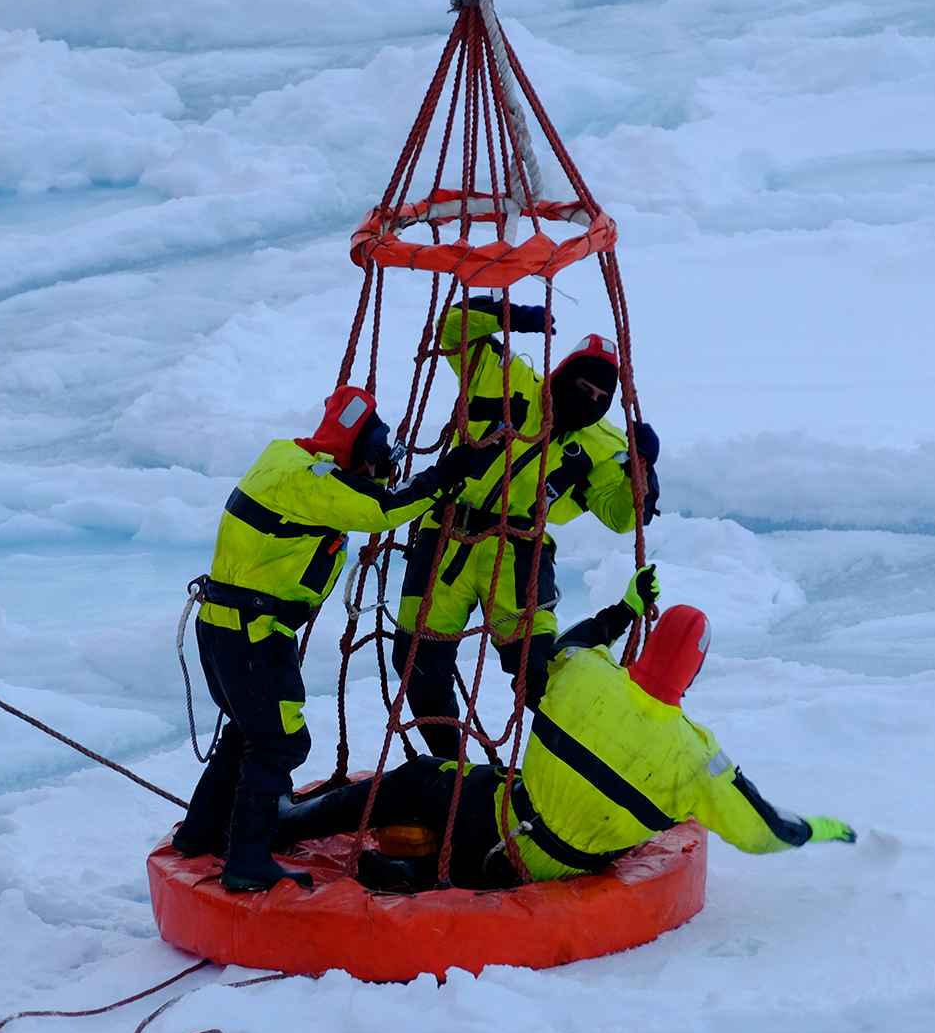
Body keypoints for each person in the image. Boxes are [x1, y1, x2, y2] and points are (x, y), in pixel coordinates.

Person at [280, 567, 855, 888]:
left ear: (648, 650)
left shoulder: (587, 676)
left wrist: (625, 609)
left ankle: (294, 825)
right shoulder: (697, 756)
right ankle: (423, 869)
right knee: (495, 805)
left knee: (424, 778)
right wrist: (823, 827)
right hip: (565, 867)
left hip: (501, 821)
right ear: (694, 672)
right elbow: (764, 832)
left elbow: (575, 641)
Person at [174, 386, 498, 893]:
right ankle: (248, 859)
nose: (371, 474)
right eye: (371, 462)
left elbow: (366, 492)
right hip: (253, 634)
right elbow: (385, 510)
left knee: (246, 730)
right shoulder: (313, 480)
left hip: (224, 625)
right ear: (355, 453)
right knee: (277, 741)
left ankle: (200, 834)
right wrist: (454, 469)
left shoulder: (286, 456)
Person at [393, 295, 661, 758]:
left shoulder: (603, 445)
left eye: (601, 398)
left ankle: (586, 772)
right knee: (416, 663)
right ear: (563, 373)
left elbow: (622, 516)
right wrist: (508, 316)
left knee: (538, 673)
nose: (589, 400)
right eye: (583, 385)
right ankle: (450, 777)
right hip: (449, 536)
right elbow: (451, 328)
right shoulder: (504, 373)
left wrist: (645, 467)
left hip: (519, 551)